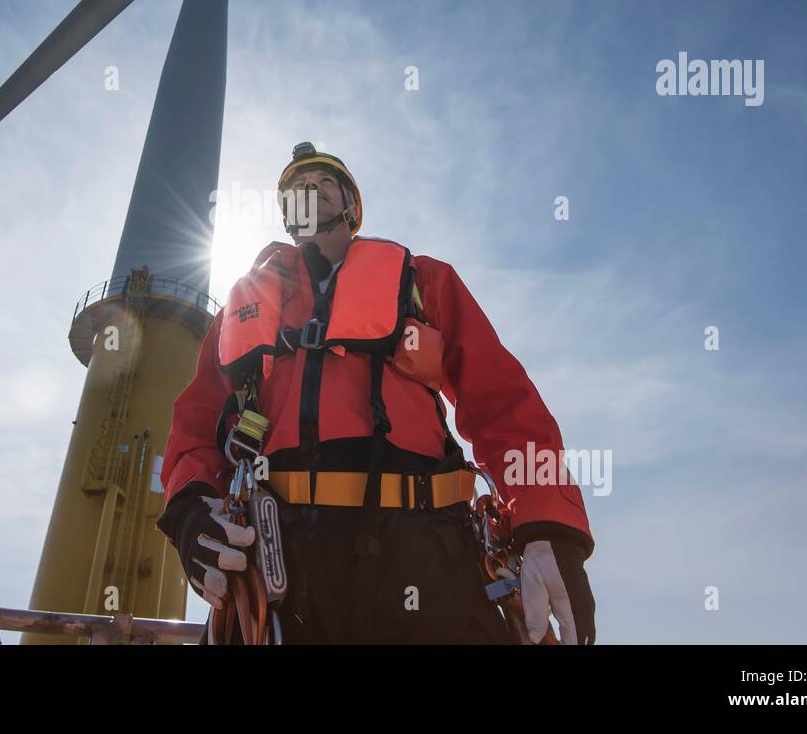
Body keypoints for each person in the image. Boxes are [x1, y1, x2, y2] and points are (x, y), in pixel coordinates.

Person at [156, 142, 595, 644]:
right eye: (299, 187)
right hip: (279, 563)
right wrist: (190, 510)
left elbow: (503, 403)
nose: (311, 190)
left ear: (351, 205)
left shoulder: (421, 280)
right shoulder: (243, 305)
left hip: (426, 552)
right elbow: (195, 423)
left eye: (324, 182)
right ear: (285, 215)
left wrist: (547, 526)